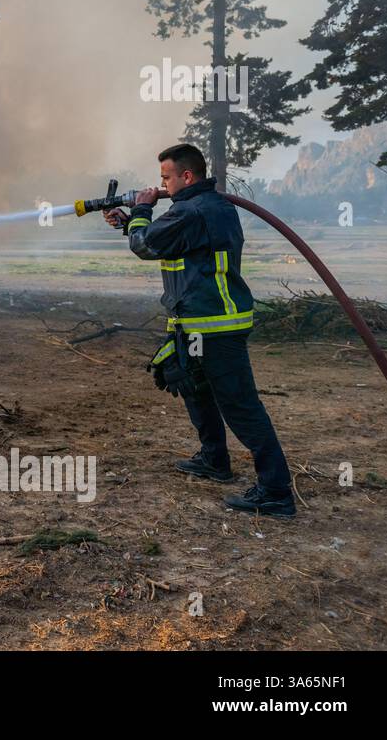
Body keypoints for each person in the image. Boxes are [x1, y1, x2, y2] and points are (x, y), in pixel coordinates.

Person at [104, 143, 295, 518]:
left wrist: (142, 211)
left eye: (166, 178)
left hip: (215, 329)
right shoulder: (198, 210)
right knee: (196, 390)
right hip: (194, 324)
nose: (162, 184)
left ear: (186, 176)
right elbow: (170, 242)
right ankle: (214, 459)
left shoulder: (194, 210)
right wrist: (129, 222)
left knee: (241, 408)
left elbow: (146, 246)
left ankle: (275, 491)